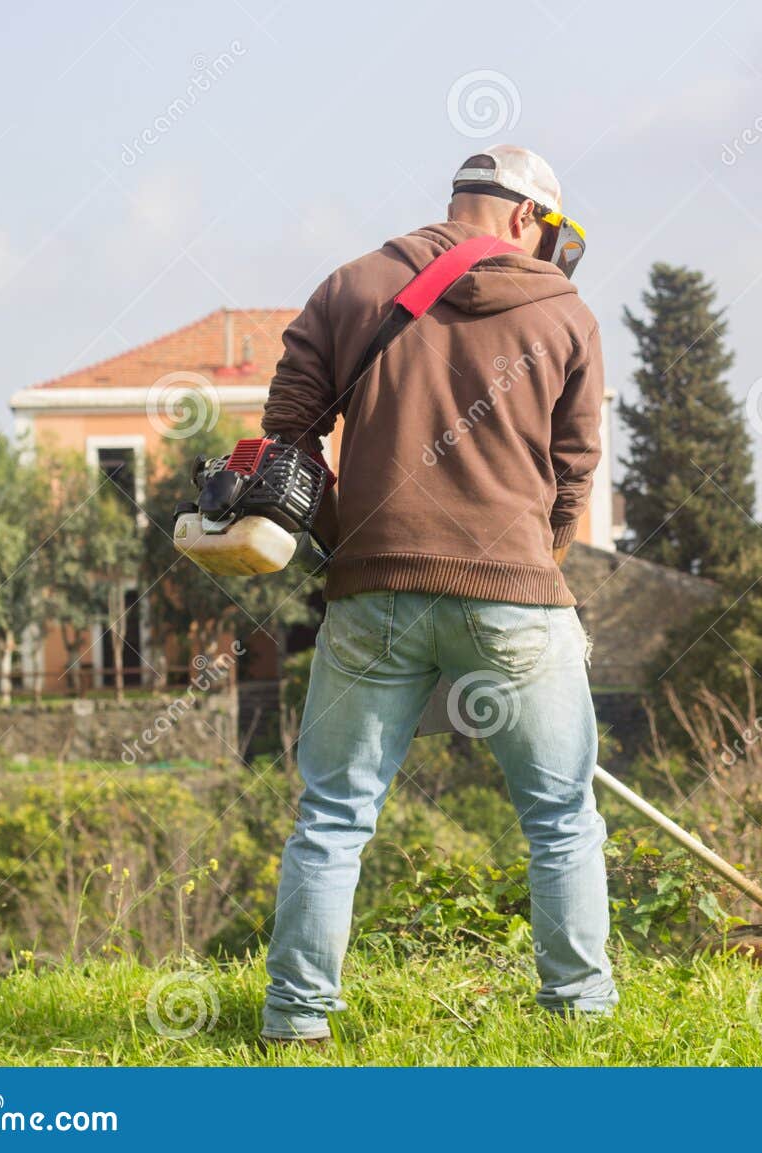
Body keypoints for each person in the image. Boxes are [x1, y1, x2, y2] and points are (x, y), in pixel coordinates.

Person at [258, 145, 614, 1045]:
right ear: (529, 220)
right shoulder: (565, 312)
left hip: (372, 588)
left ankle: (297, 1020)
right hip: (518, 596)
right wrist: (537, 561)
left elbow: (287, 434)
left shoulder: (352, 285)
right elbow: (574, 470)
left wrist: (352, 542)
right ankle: (581, 1014)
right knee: (562, 818)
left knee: (334, 816)